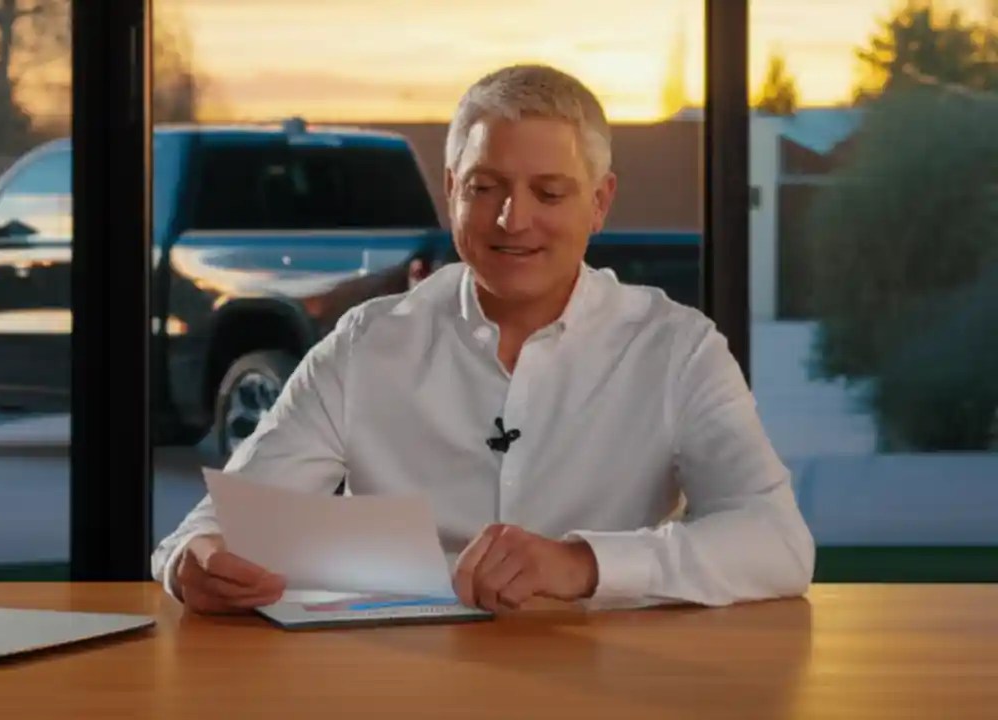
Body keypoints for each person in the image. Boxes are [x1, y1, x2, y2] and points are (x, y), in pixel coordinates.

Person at [151, 63, 815, 615]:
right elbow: (209, 530)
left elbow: (778, 543)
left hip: (606, 680)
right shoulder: (366, 344)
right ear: (450, 192)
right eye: (485, 187)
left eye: (549, 193)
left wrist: (584, 563)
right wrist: (195, 564)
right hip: (399, 685)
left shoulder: (677, 349)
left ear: (600, 202)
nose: (512, 218)